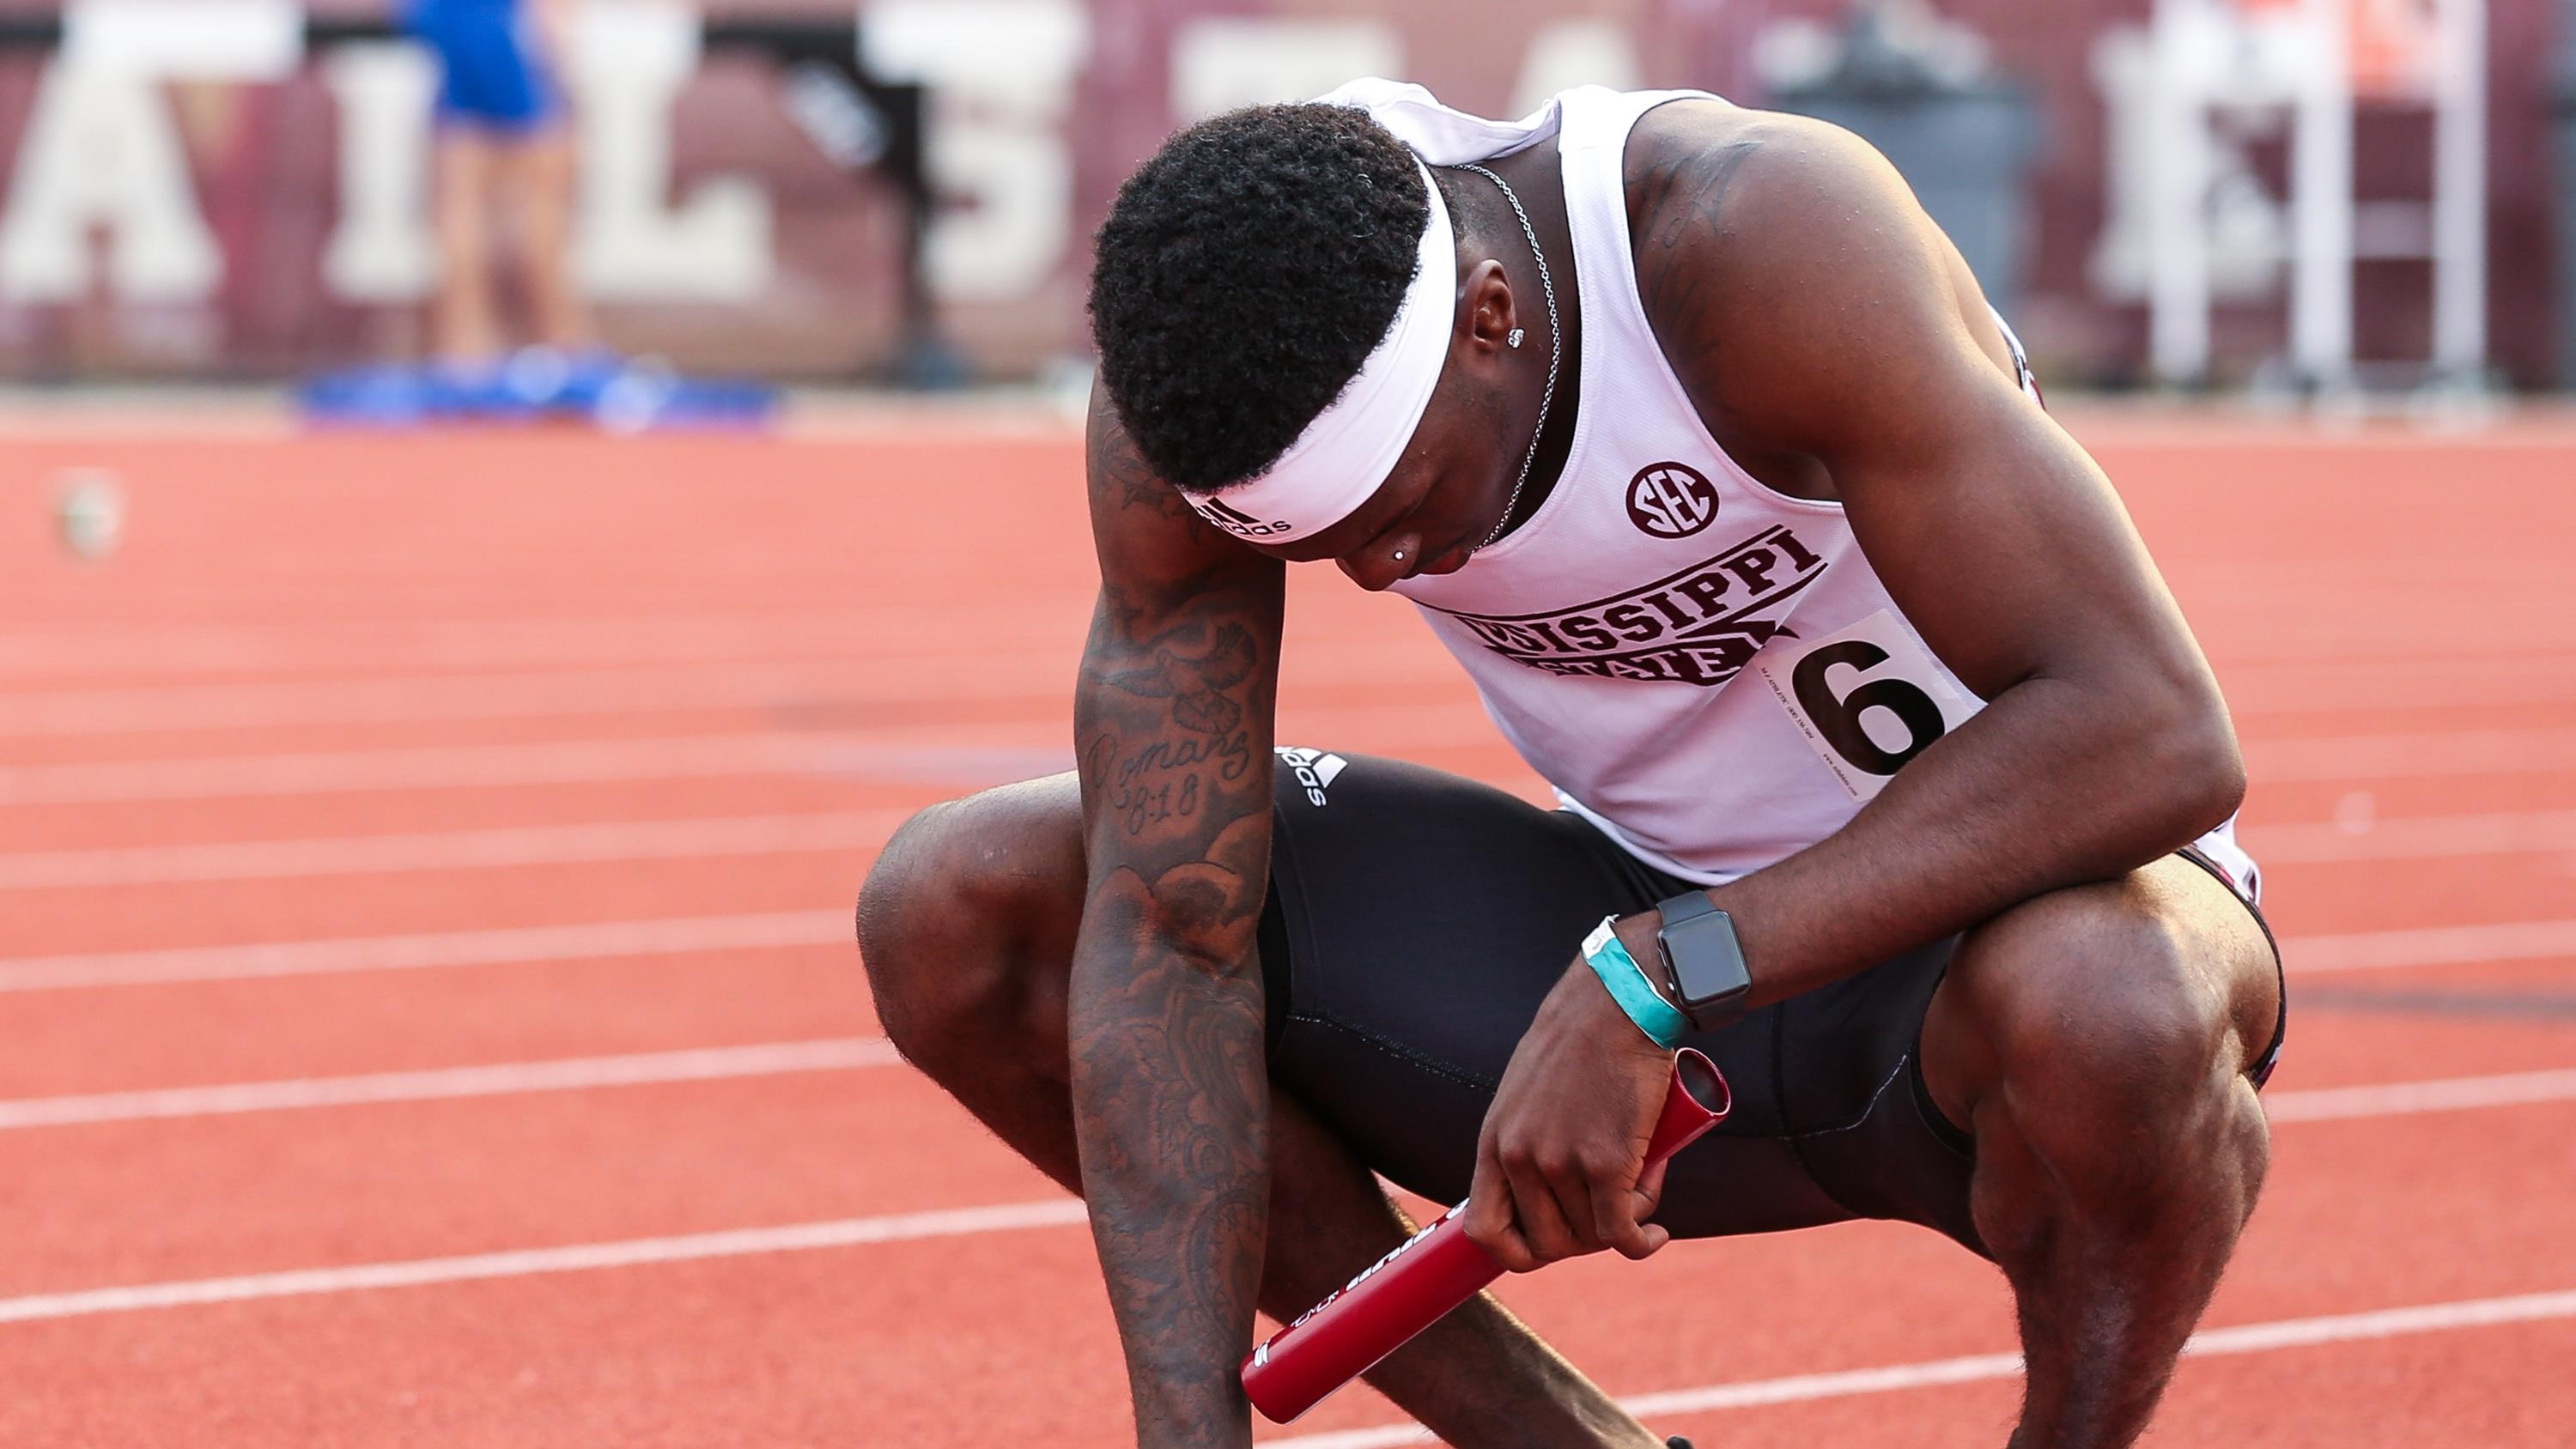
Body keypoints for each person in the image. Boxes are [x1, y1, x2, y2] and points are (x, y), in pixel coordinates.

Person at [858, 80, 2286, 1449]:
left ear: (1493, 315)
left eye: (1404, 507)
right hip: (1627, 927)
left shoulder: (1752, 243)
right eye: (1323, 544)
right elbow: (1168, 923)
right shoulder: (1200, 396)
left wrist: (1665, 969)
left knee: (2115, 1004)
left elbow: (2151, 730)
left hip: (1978, 956)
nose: (1381, 567)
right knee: (962, 901)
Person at [404, 0, 597, 383]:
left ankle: (465, 353)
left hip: (451, 18)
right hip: (496, 24)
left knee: (464, 182)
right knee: (539, 188)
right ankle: (565, 348)